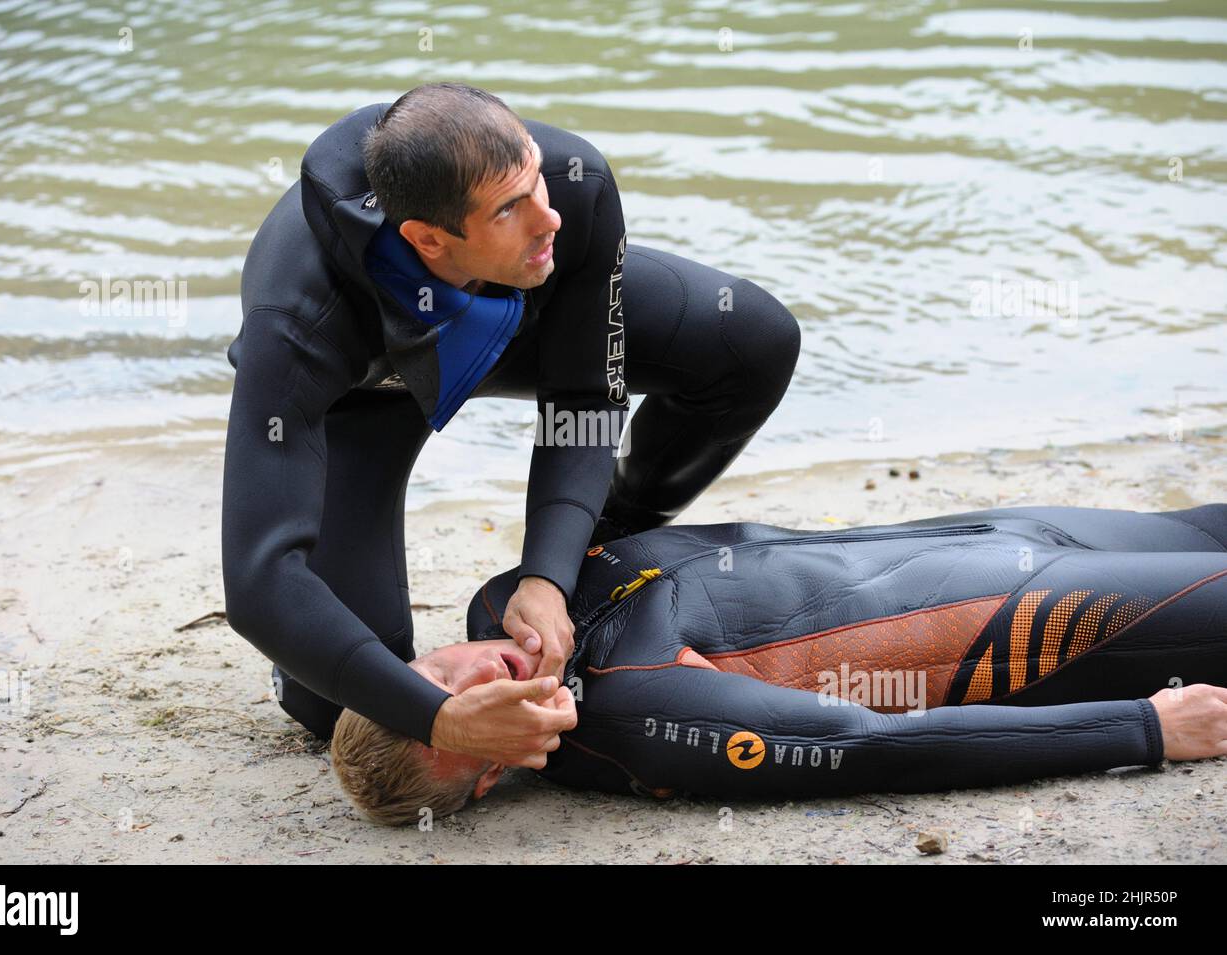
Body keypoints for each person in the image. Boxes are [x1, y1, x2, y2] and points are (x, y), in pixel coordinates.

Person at [221, 83, 801, 762]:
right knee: (339, 707)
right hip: (368, 387)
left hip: (519, 312)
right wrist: (441, 718)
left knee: (750, 340)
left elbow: (583, 400)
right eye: (508, 208)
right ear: (427, 239)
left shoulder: (568, 188)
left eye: (534, 182)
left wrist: (547, 575)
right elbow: (260, 582)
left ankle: (597, 551)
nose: (546, 217)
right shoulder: (294, 320)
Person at [330, 502, 1227, 825]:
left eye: (438, 674)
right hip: (1057, 619)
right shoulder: (643, 723)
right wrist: (1144, 728)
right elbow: (874, 745)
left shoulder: (509, 597)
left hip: (1001, 529)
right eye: (463, 713)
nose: (477, 676)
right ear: (492, 777)